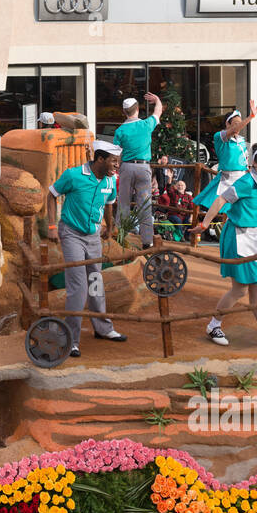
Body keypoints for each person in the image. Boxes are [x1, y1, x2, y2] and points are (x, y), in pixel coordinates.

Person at [189, 145, 257, 350]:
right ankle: (213, 325)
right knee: (240, 289)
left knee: (256, 288)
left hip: (252, 237)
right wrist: (205, 223)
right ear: (254, 164)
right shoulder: (245, 182)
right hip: (237, 236)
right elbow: (221, 199)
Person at [46, 140, 127, 358]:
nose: (117, 165)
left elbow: (109, 203)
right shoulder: (73, 175)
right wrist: (52, 226)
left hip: (93, 236)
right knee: (78, 287)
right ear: (100, 159)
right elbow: (51, 194)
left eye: (118, 161)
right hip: (71, 234)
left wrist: (109, 227)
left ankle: (103, 328)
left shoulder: (110, 180)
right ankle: (70, 339)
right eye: (113, 161)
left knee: (96, 282)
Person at [192, 101, 257, 218]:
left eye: (240, 123)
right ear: (227, 124)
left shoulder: (241, 140)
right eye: (236, 123)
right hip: (228, 179)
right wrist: (250, 117)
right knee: (226, 210)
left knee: (243, 209)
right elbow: (233, 130)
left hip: (242, 178)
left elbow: (245, 159)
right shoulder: (219, 137)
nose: (239, 125)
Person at [113, 93, 162, 248]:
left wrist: (115, 169)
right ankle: (147, 242)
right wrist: (157, 100)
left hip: (126, 167)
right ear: (137, 110)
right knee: (145, 205)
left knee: (124, 204)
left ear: (124, 112)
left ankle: (121, 238)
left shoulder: (120, 130)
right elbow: (158, 112)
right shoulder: (146, 124)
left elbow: (116, 153)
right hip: (143, 167)